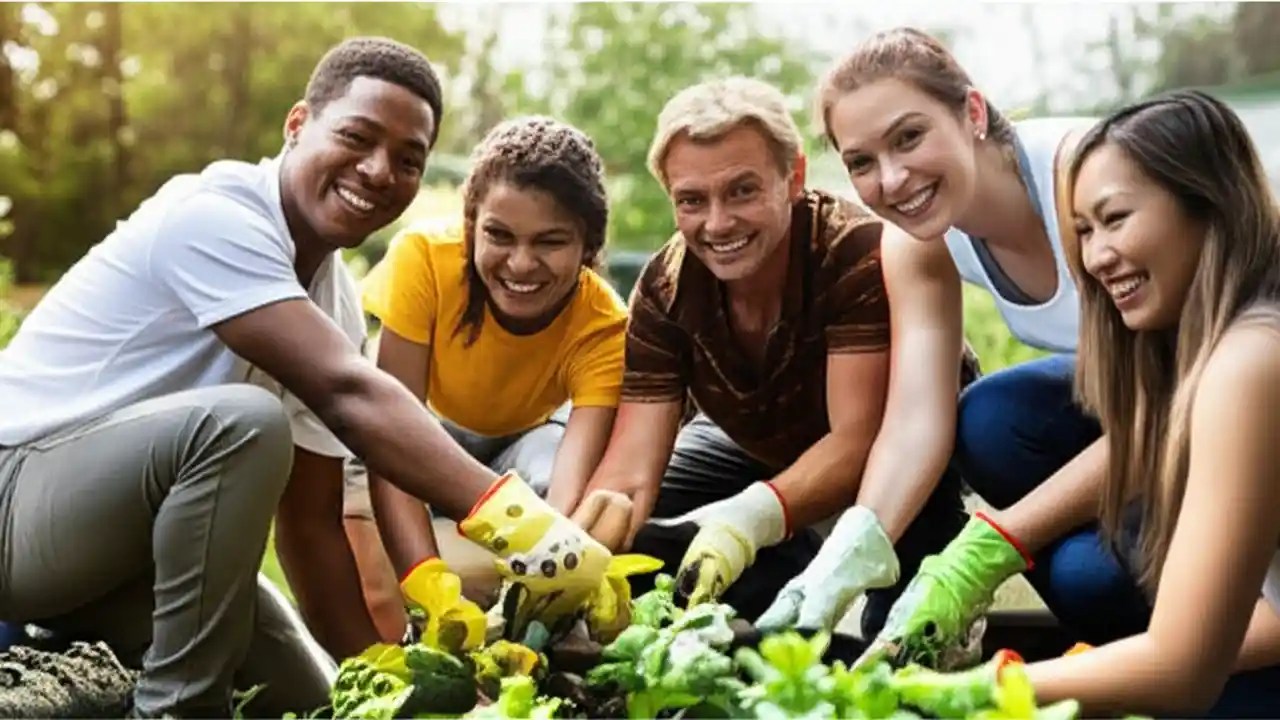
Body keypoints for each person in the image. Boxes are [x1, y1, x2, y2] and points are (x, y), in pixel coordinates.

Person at [0, 37, 611, 718]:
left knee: (313, 697)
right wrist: (533, 534)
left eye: (409, 160)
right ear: (297, 125)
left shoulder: (331, 300)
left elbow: (311, 524)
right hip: (15, 505)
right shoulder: (213, 216)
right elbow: (350, 395)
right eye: (357, 137)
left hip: (119, 558)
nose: (380, 170)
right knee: (239, 424)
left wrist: (403, 687)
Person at [888, 88, 1280, 718]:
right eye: (1082, 232)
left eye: (1116, 218)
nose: (1095, 258)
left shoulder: (1250, 362)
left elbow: (1182, 672)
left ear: (1207, 205)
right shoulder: (1219, 352)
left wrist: (971, 692)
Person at [754, 27, 1126, 644]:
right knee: (989, 417)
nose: (893, 180)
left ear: (971, 112)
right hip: (1139, 408)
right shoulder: (916, 240)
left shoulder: (1085, 182)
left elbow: (1178, 404)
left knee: (1088, 576)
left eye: (909, 137)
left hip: (1228, 411)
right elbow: (915, 421)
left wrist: (994, 545)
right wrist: (853, 546)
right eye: (862, 163)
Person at [578, 76, 969, 632]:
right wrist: (579, 552)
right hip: (751, 443)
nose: (717, 223)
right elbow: (632, 467)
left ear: (794, 178)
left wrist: (748, 520)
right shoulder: (666, 288)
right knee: (639, 533)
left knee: (899, 631)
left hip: (893, 447)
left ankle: (808, 561)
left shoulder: (852, 251)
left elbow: (856, 439)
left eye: (742, 191)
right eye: (692, 200)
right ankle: (778, 567)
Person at [343, 115, 627, 636]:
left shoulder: (604, 324)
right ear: (472, 224)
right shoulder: (424, 260)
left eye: (550, 242)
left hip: (524, 446)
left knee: (548, 479)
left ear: (588, 245)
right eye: (499, 235)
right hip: (426, 430)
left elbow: (568, 492)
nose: (521, 264)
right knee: (352, 488)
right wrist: (427, 582)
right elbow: (392, 436)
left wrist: (553, 564)